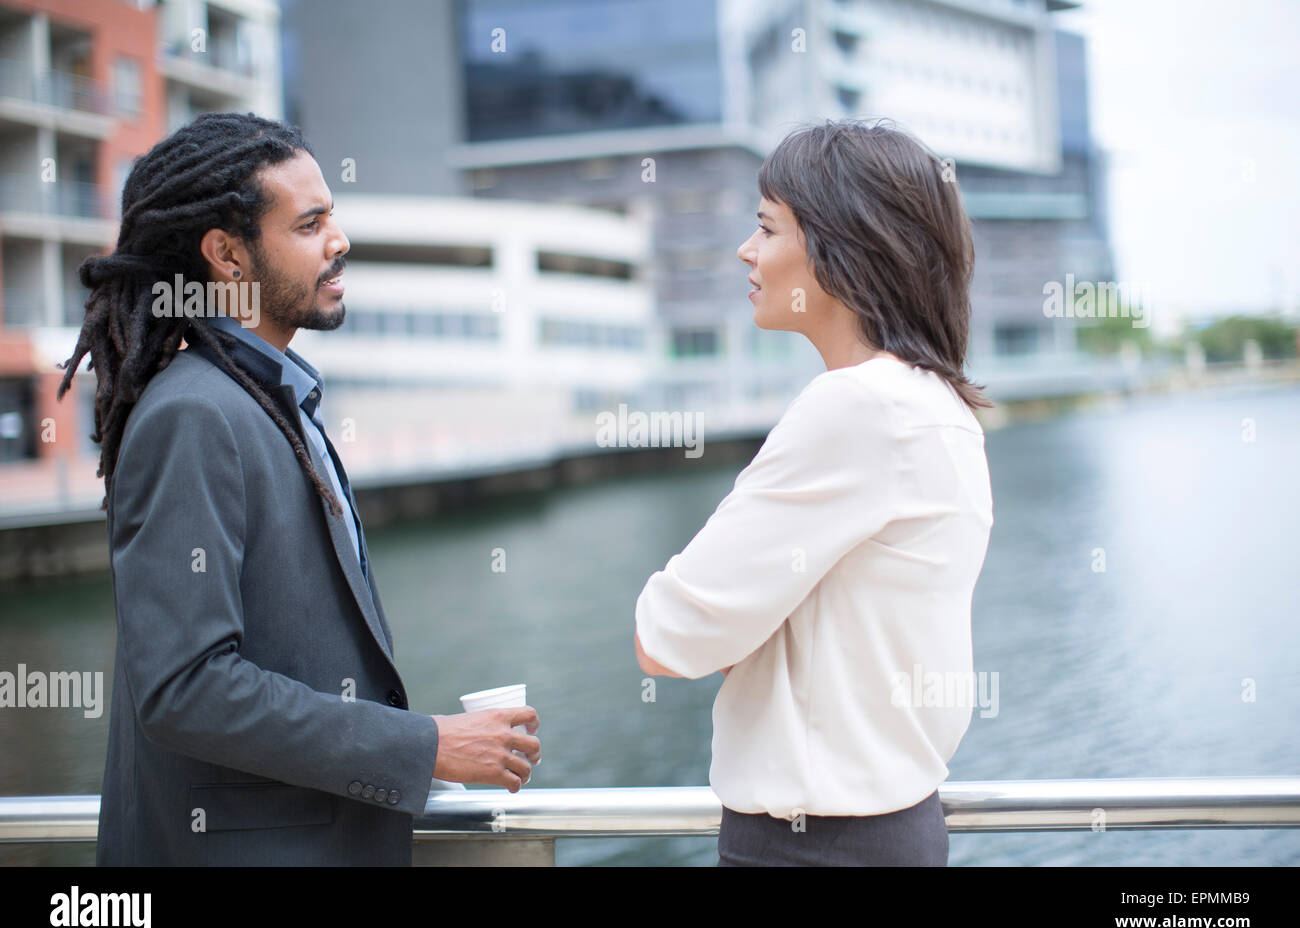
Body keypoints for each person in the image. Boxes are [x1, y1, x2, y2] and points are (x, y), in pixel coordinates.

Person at [57, 112, 539, 865]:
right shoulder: (195, 415)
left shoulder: (273, 403)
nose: (338, 241)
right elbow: (185, 689)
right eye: (309, 224)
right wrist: (425, 746)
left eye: (332, 218)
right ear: (226, 254)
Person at [633, 119, 994, 866]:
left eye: (766, 227)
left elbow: (667, 637)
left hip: (809, 846)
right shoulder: (938, 408)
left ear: (843, 249)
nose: (746, 250)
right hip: (896, 829)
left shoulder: (854, 408)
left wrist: (737, 620)